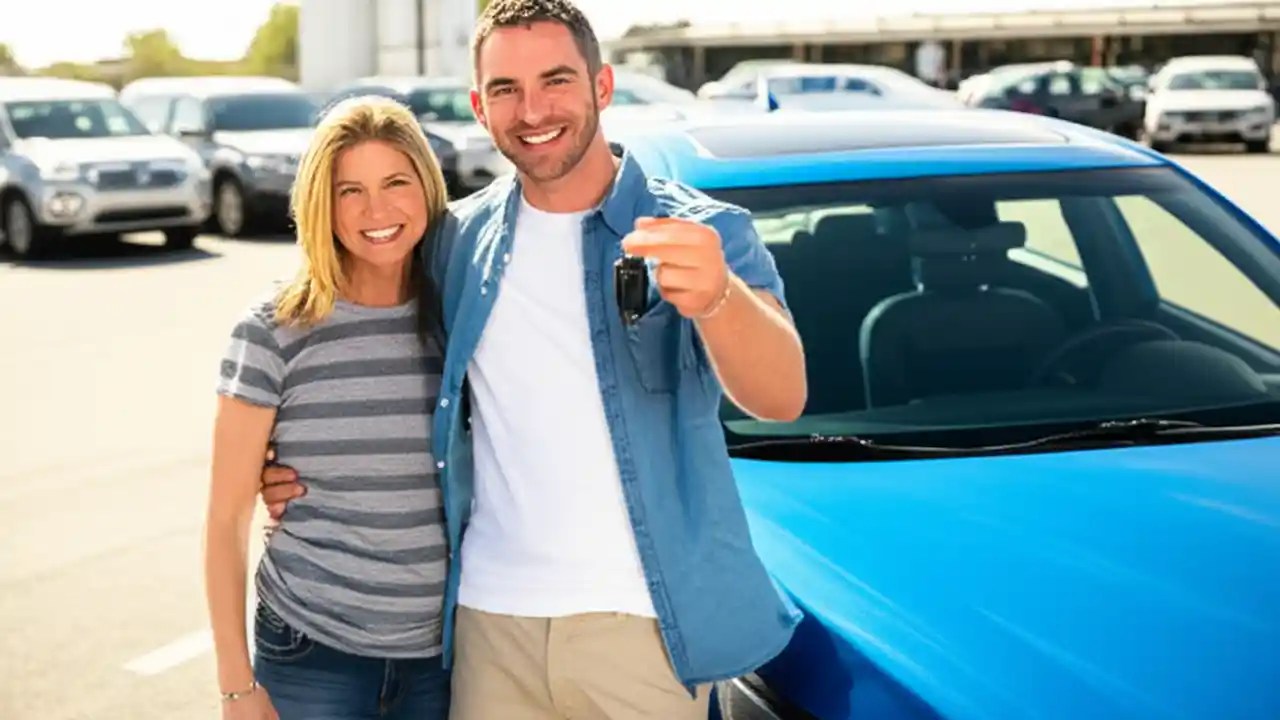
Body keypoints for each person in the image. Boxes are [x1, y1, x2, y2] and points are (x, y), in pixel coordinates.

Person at [260, 0, 809, 717]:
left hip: (642, 634)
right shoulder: (454, 240)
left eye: (555, 81)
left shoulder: (703, 234)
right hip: (489, 630)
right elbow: (366, 339)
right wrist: (300, 464)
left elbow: (781, 397)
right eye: (505, 90)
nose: (532, 110)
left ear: (602, 87)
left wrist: (718, 301)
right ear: (478, 108)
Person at [205, 96, 453, 720]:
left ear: (427, 184)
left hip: (444, 656)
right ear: (322, 201)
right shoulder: (272, 331)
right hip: (312, 653)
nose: (377, 211)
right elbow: (225, 519)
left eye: (397, 182)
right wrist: (236, 685)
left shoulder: (459, 319)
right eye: (351, 191)